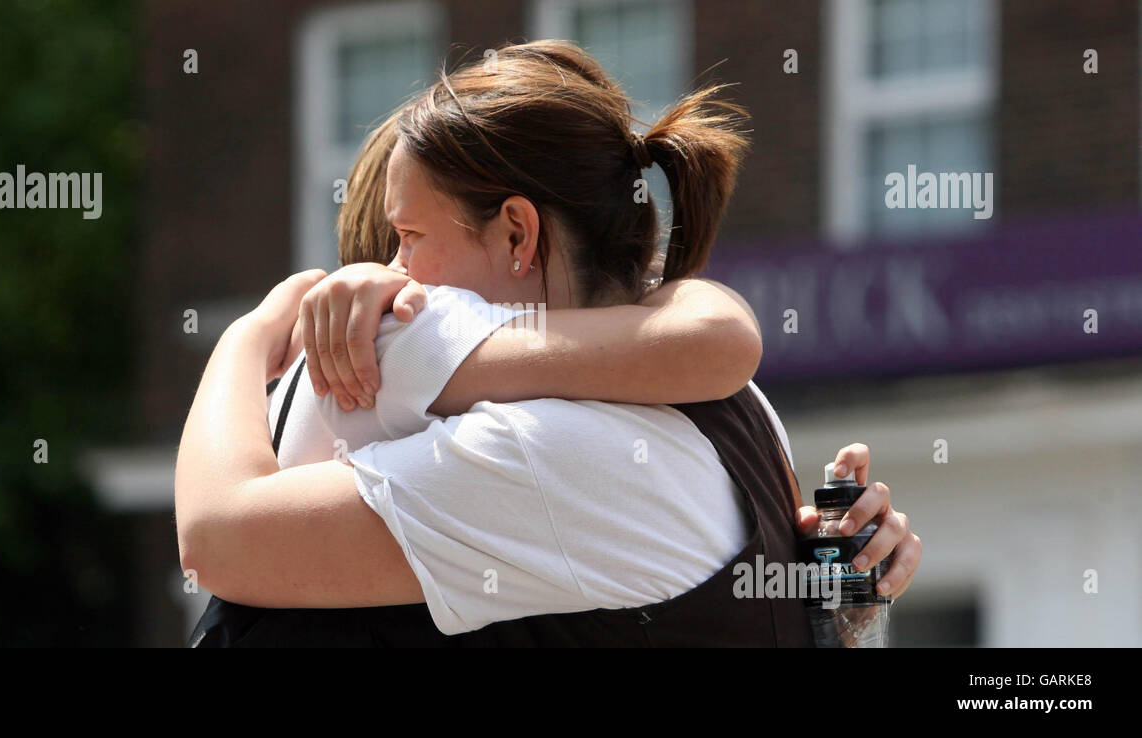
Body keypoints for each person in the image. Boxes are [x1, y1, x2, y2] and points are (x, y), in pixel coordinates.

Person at [176, 41, 921, 646]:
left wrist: (249, 337)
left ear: (517, 235)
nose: (390, 273)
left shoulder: (542, 440)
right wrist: (845, 602)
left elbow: (214, 539)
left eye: (408, 238)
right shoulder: (736, 407)